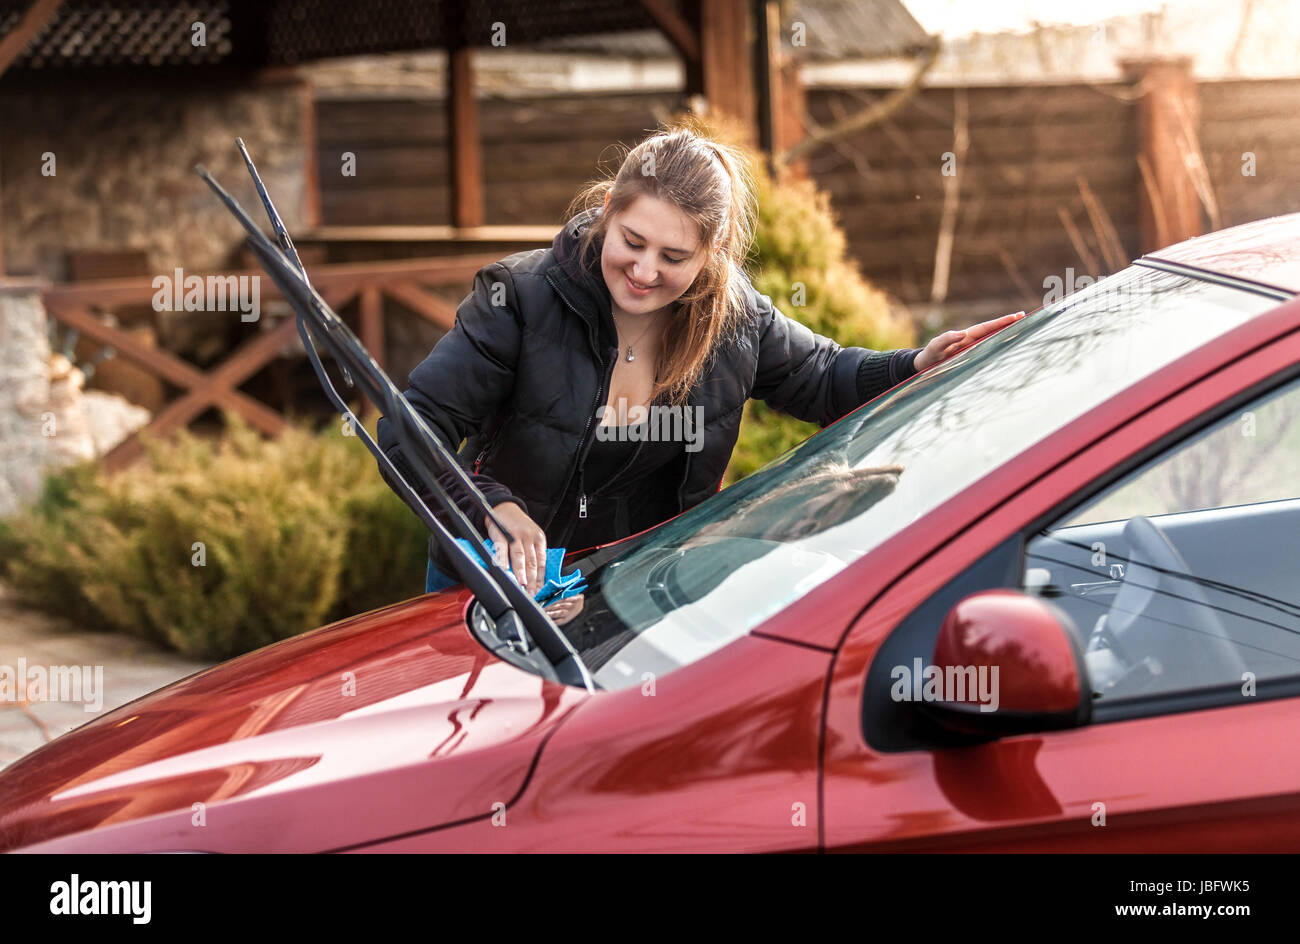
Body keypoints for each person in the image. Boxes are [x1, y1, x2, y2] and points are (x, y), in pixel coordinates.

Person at [375, 120, 1022, 621]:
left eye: (674, 256)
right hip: (496, 590)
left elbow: (823, 377)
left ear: (711, 255)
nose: (646, 270)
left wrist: (915, 364)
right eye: (632, 241)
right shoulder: (519, 299)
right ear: (607, 214)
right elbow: (408, 433)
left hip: (632, 599)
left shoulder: (732, 319)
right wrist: (490, 507)